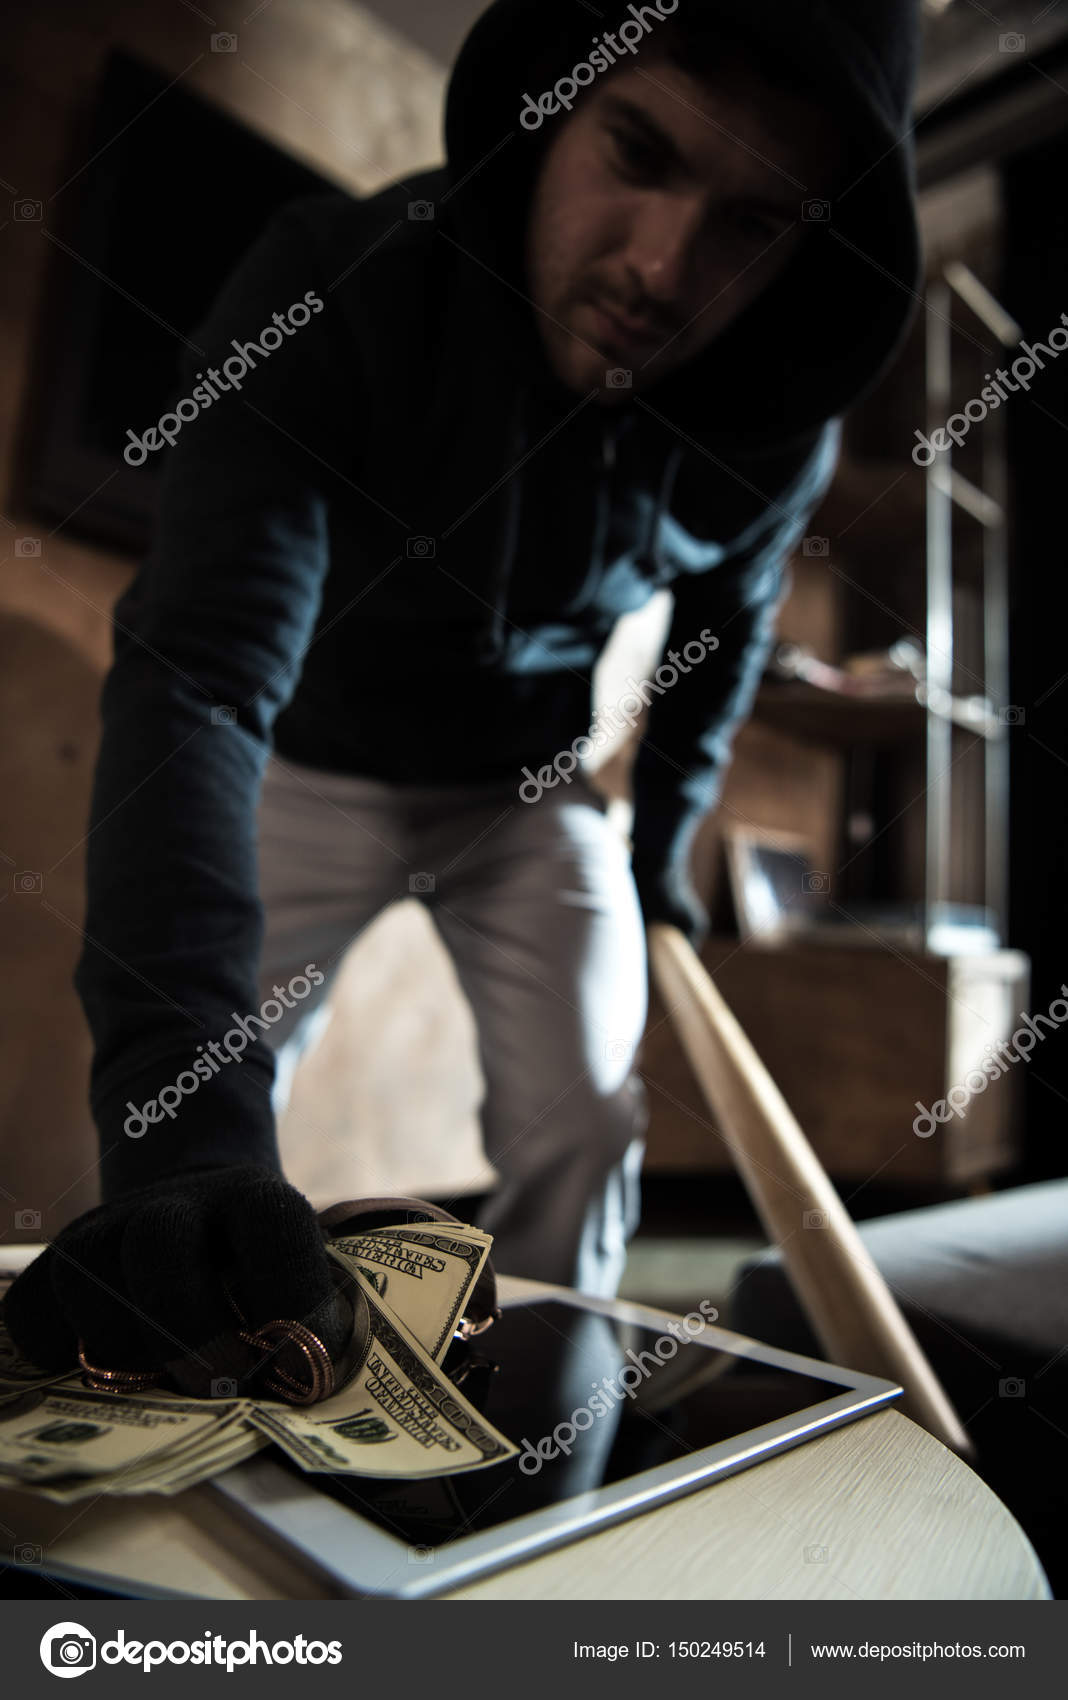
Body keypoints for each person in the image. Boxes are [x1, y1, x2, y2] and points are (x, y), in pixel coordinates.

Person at [5, 0, 923, 1386]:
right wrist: (182, 1151)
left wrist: (659, 856)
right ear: (558, 104)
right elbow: (197, 675)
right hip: (307, 764)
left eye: (752, 222)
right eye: (639, 149)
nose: (665, 270)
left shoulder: (768, 432)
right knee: (180, 1122)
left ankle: (551, 1412)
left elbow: (717, 656)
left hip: (528, 797)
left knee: (593, 1117)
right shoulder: (323, 288)